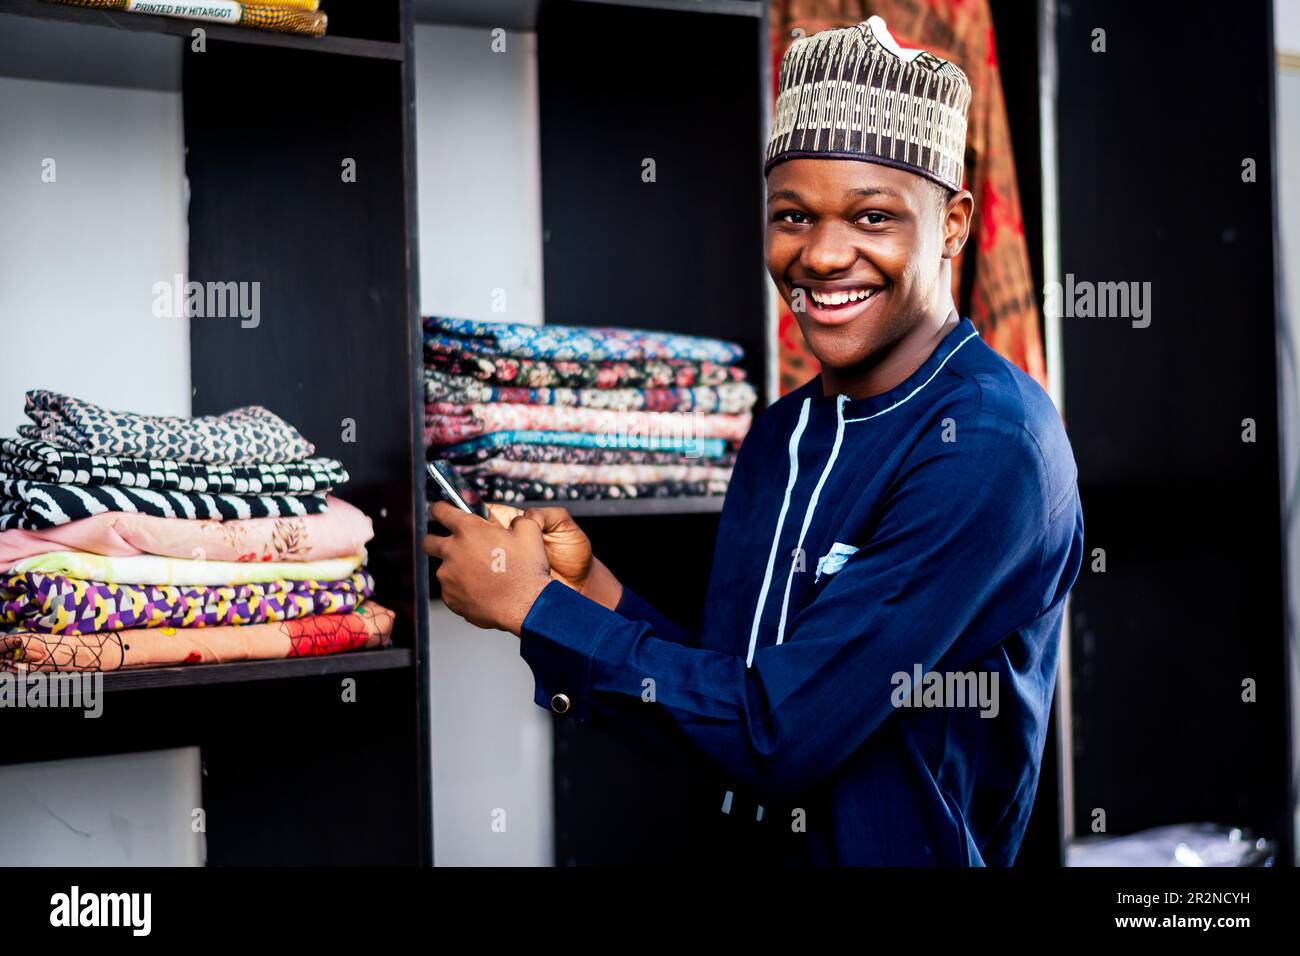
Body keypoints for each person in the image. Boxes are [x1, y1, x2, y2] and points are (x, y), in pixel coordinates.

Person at [423, 16, 1083, 866]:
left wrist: (532, 610)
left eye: (873, 217)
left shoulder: (990, 448)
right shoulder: (781, 431)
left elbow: (779, 735)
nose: (822, 253)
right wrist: (593, 592)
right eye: (793, 215)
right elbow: (734, 697)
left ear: (953, 225)